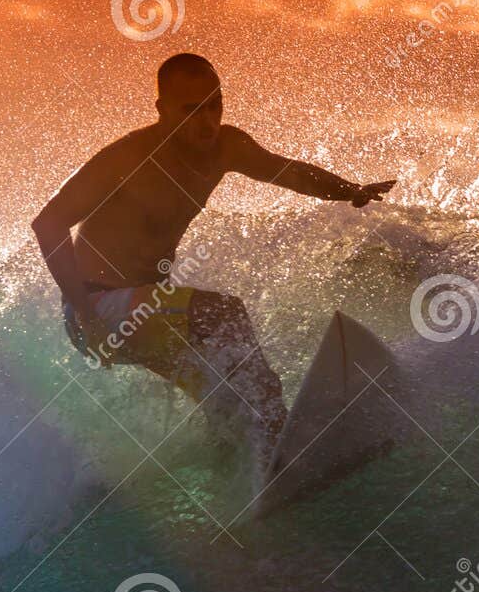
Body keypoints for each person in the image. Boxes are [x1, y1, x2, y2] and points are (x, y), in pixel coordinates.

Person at [32, 53, 395, 468]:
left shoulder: (225, 147)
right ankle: (279, 441)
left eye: (214, 106)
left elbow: (290, 173)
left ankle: (246, 472)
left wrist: (350, 190)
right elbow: (48, 223)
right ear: (162, 110)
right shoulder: (127, 159)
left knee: (224, 400)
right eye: (191, 110)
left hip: (148, 308)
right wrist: (86, 314)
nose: (206, 122)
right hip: (97, 309)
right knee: (225, 312)